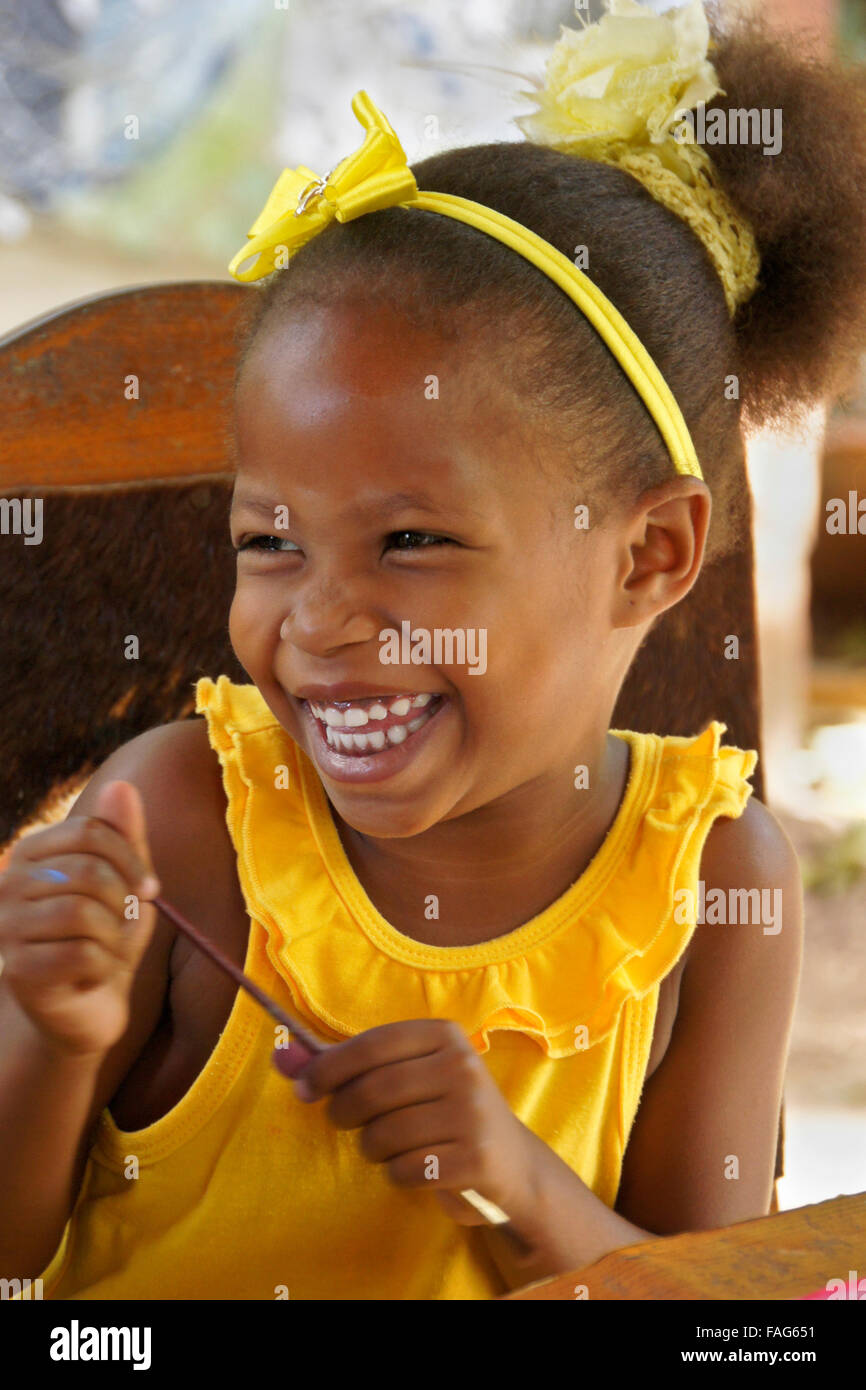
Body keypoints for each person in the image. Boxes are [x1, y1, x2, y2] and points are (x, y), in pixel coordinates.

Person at [2, 0, 865, 1300]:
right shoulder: (181, 821)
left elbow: (717, 1308)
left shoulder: (711, 890)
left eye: (408, 540)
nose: (317, 622)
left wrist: (517, 1179)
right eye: (270, 541)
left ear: (647, 556)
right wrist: (44, 1040)